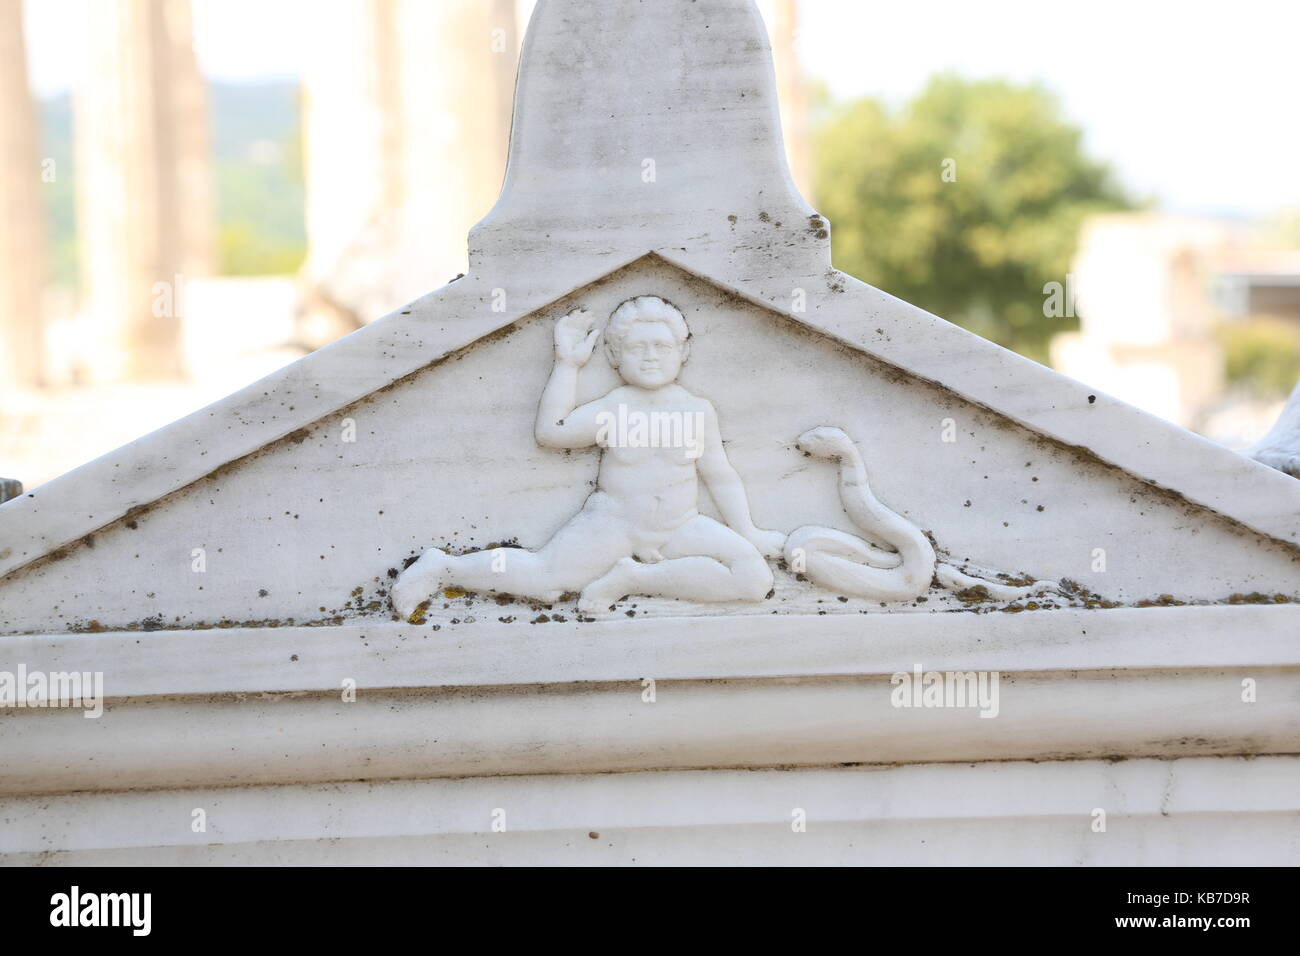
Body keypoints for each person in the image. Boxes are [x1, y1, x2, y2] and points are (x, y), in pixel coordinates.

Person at [392, 295, 784, 618]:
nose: (650, 357)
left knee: (753, 578)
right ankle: (444, 568)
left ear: (684, 352)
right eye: (636, 347)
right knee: (547, 579)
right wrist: (568, 364)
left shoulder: (698, 410)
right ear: (614, 356)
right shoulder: (614, 407)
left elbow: (719, 473)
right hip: (614, 523)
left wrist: (746, 529)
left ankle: (634, 579)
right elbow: (552, 432)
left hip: (679, 525)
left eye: (662, 346)